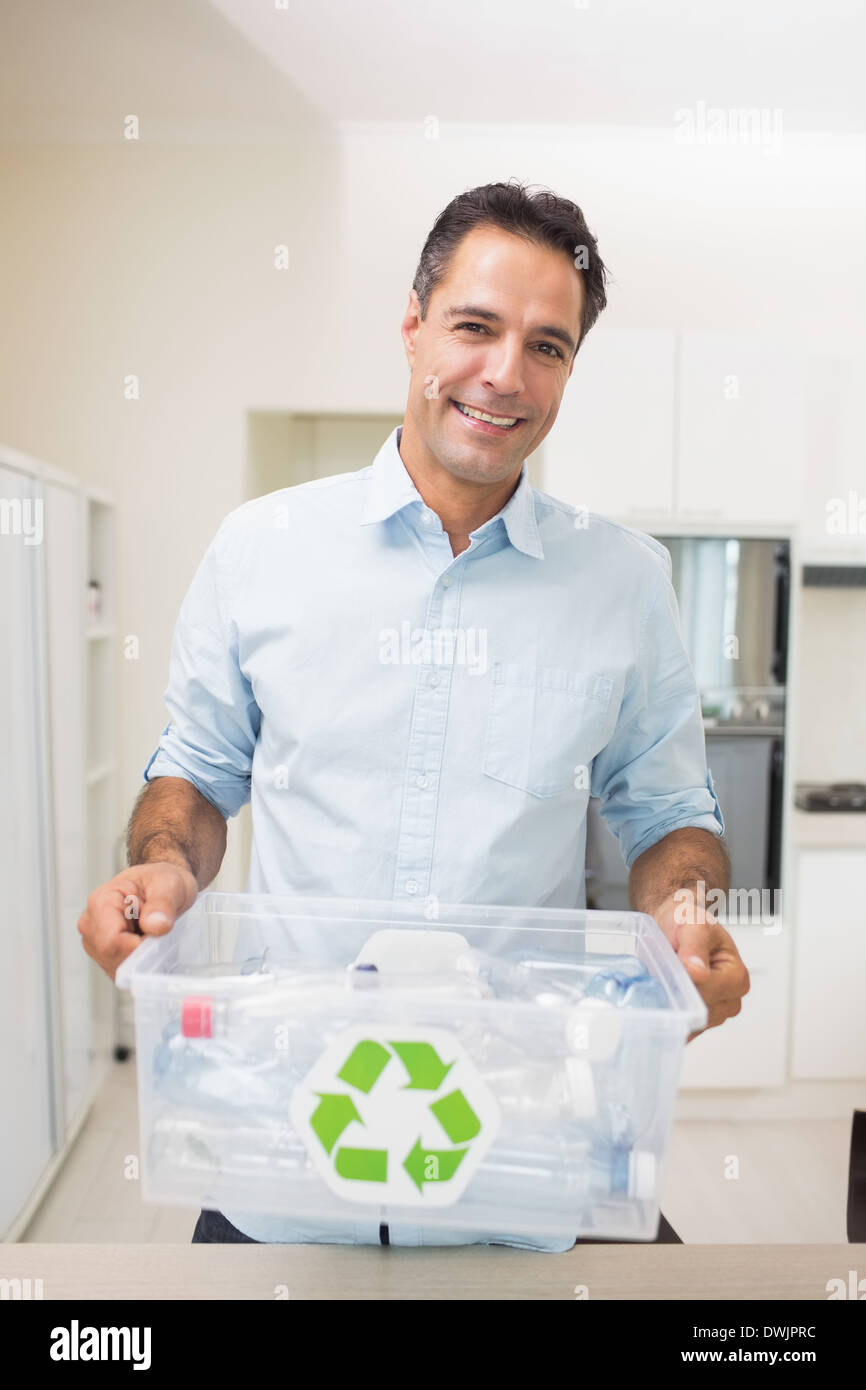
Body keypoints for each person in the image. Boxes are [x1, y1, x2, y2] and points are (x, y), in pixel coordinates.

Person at [78, 179, 750, 1251]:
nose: (502, 375)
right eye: (474, 327)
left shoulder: (622, 582)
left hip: (521, 1143)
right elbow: (197, 775)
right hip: (288, 1137)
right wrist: (164, 865)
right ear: (411, 325)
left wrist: (684, 911)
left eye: (547, 346)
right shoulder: (259, 551)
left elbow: (668, 810)